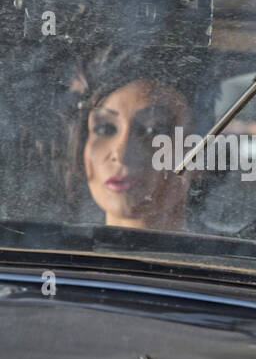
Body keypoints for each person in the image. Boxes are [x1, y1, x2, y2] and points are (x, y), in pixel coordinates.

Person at [66, 48, 194, 231]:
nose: (123, 154)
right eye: (105, 129)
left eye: (155, 131)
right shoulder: (47, 256)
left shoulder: (235, 257)